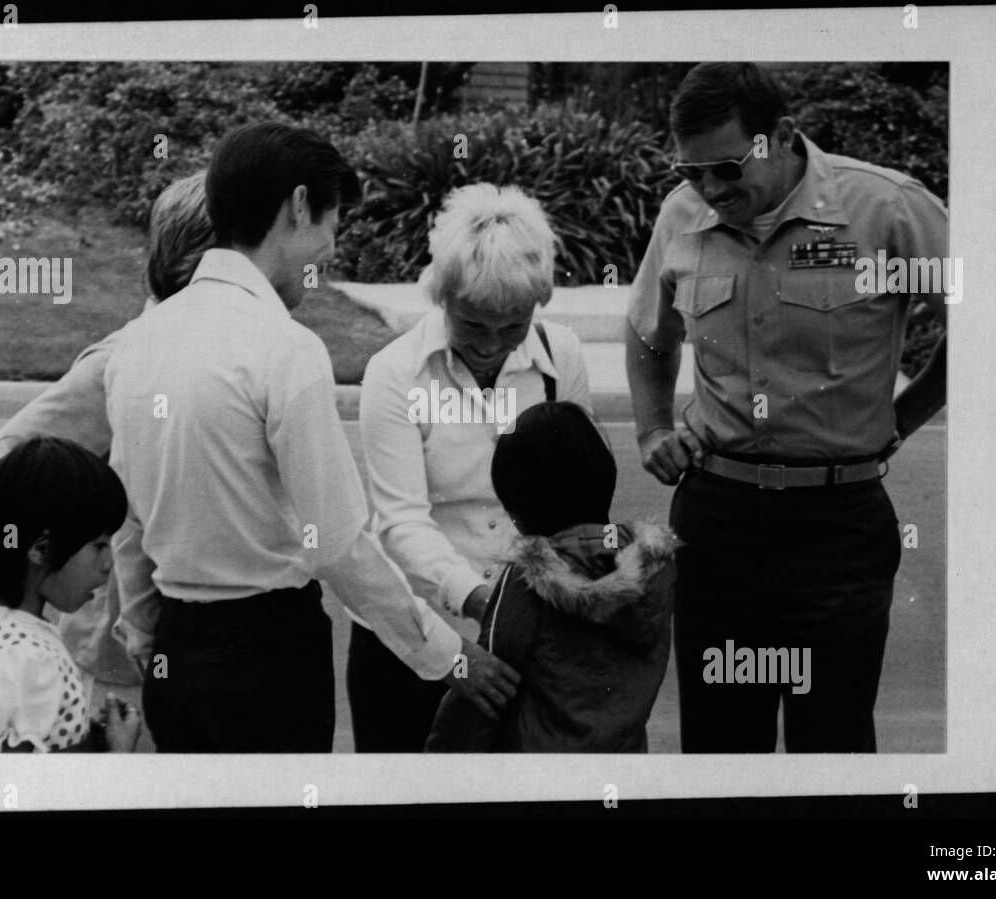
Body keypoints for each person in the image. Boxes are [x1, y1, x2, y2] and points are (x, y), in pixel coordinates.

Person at [105, 122, 520, 753]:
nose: (331, 250)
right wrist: (447, 657)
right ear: (299, 206)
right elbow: (337, 546)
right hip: (270, 659)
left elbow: (128, 525)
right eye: (333, 224)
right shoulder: (288, 351)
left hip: (177, 655)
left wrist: (144, 637)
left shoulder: (135, 345)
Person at [625, 62, 948, 753]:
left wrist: (908, 412)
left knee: (831, 743)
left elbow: (992, 315)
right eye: (691, 173)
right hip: (717, 523)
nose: (710, 189)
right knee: (719, 745)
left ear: (782, 136)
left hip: (839, 529)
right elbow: (650, 331)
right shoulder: (683, 219)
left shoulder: (886, 209)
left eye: (727, 169)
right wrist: (652, 426)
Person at [355, 182, 595, 751]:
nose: (491, 346)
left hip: (528, 636)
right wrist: (486, 605)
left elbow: (581, 501)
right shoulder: (393, 374)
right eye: (473, 325)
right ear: (441, 298)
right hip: (416, 636)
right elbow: (401, 524)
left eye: (512, 327)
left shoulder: (563, 358)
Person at [0, 171, 215, 698]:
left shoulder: (211, 360)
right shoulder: (118, 363)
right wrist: (91, 531)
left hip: (190, 637)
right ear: (197, 263)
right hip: (115, 653)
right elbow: (2, 464)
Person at [425, 402, 676, 752]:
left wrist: (441, 762)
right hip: (624, 760)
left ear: (517, 511)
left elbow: (487, 688)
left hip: (538, 775)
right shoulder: (656, 569)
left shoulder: (525, 581)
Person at [0, 437, 143, 753]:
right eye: (98, 546)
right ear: (41, 549)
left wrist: (85, 736)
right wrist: (117, 754)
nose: (109, 564)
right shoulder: (27, 657)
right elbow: (25, 787)